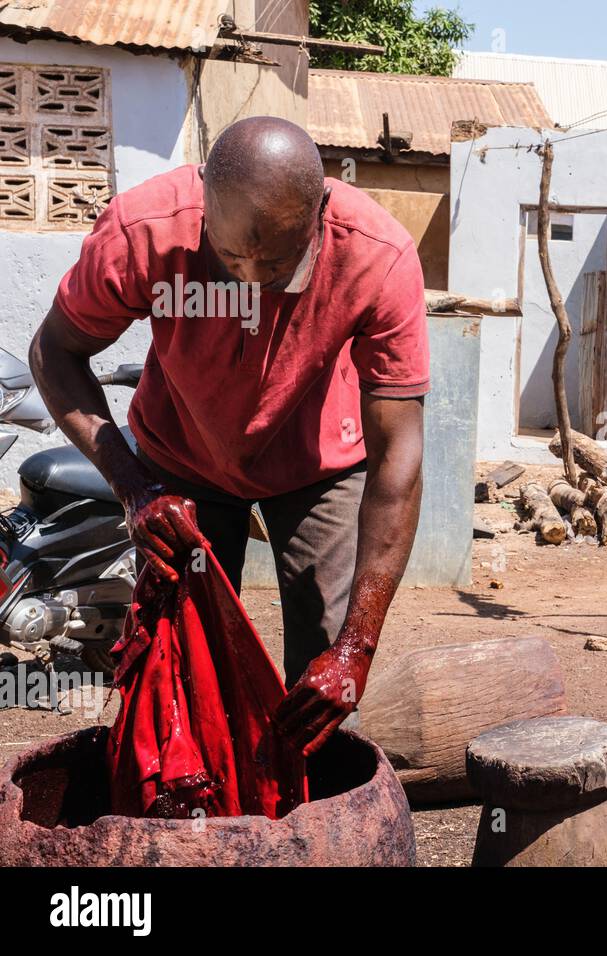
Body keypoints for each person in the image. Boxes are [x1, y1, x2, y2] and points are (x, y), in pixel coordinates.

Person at [28, 116, 428, 757]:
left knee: (323, 664)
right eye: (230, 253)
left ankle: (307, 819)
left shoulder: (376, 256)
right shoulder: (143, 231)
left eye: (273, 261)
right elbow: (55, 352)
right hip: (180, 461)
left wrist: (357, 648)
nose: (247, 276)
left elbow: (397, 460)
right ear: (204, 195)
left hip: (317, 463)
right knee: (179, 657)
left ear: (320, 212)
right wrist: (133, 488)